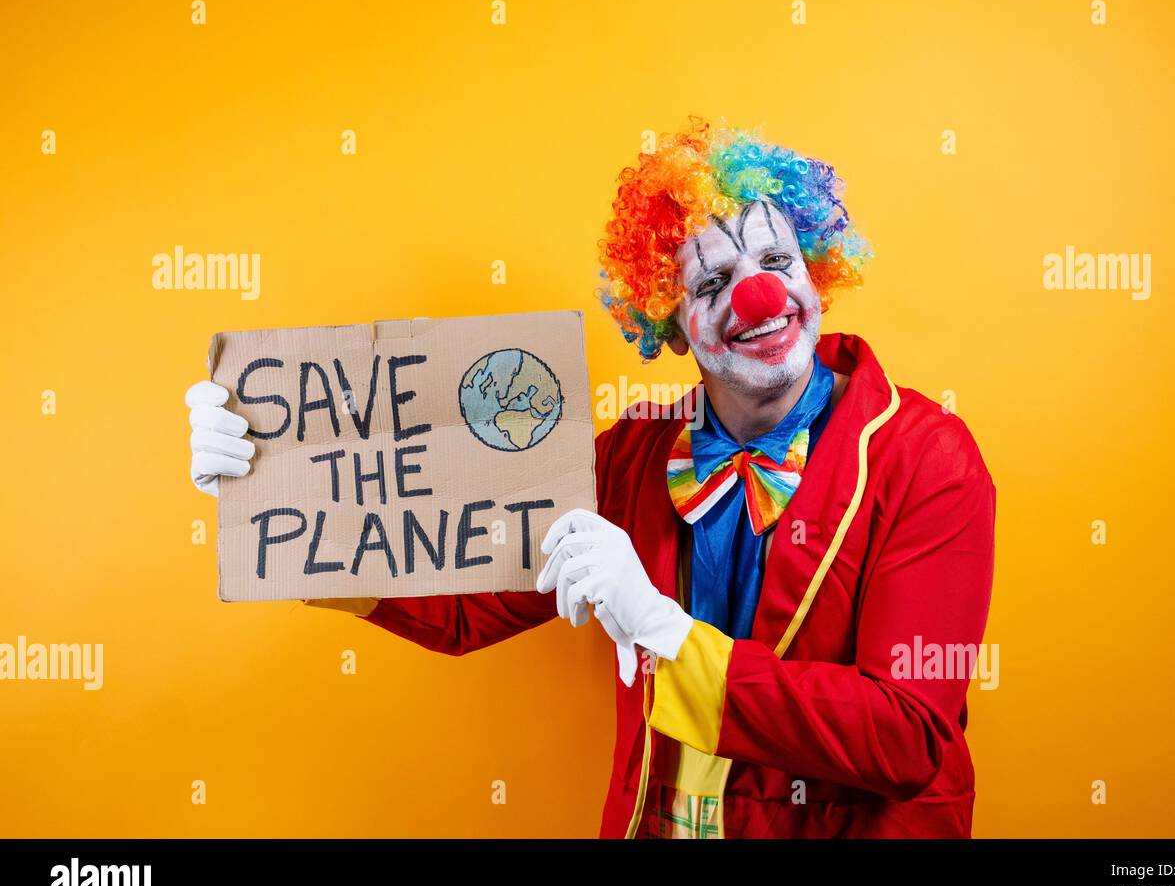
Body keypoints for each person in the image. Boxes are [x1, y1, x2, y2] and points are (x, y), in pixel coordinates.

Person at [186, 117, 996, 838]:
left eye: (778, 259)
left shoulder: (928, 459)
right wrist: (280, 493)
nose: (760, 295)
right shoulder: (631, 456)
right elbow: (471, 603)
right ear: (670, 325)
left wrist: (668, 635)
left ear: (815, 273)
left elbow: (909, 737)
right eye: (709, 284)